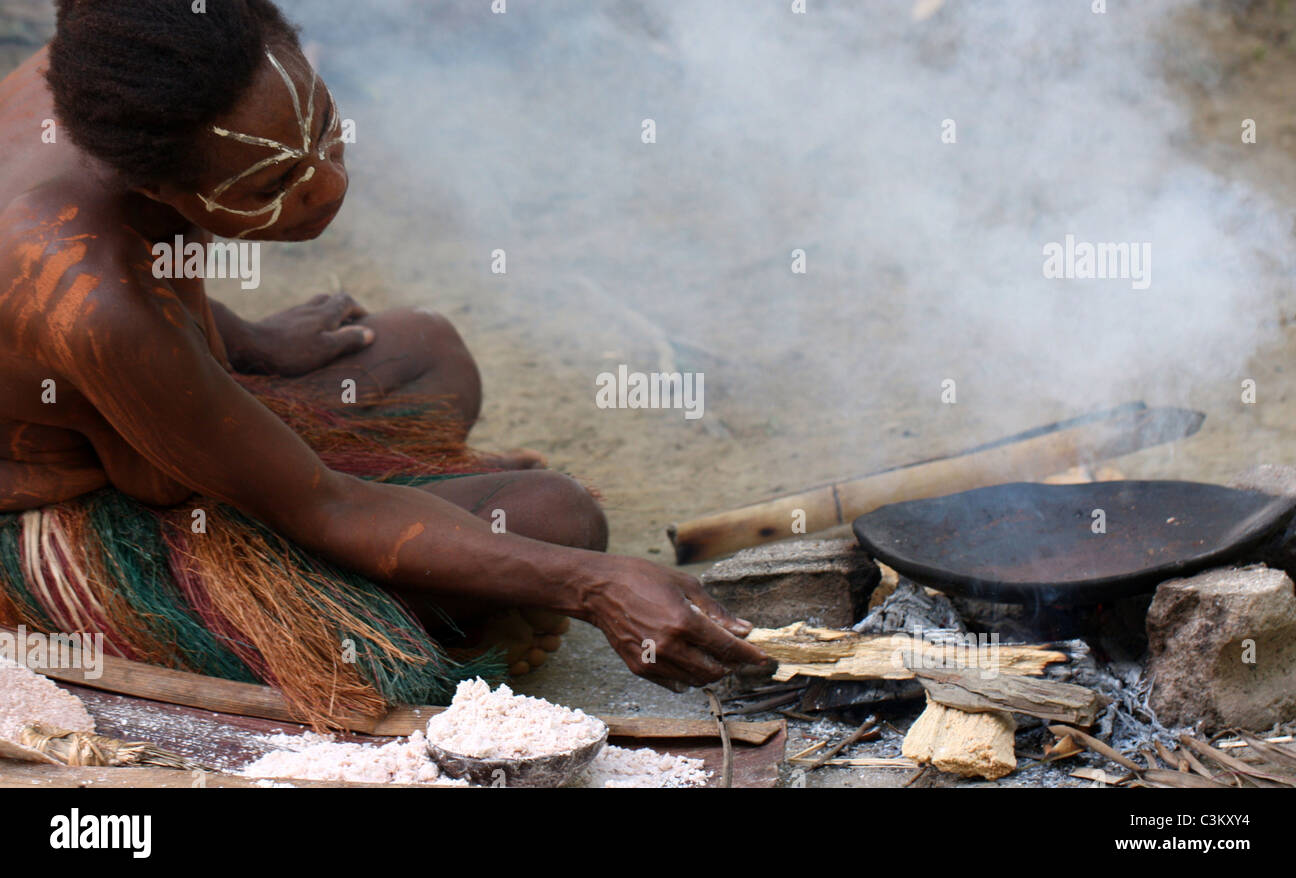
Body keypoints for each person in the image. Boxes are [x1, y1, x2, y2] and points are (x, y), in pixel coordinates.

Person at [0, 0, 764, 723]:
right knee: (554, 519)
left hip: (151, 396)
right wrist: (594, 588)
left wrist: (244, 339)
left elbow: (134, 277)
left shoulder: (116, 72)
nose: (327, 184)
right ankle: (432, 625)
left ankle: (457, 579)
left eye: (326, 127)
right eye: (272, 184)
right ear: (152, 180)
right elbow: (323, 506)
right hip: (67, 507)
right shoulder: (91, 293)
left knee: (426, 350)